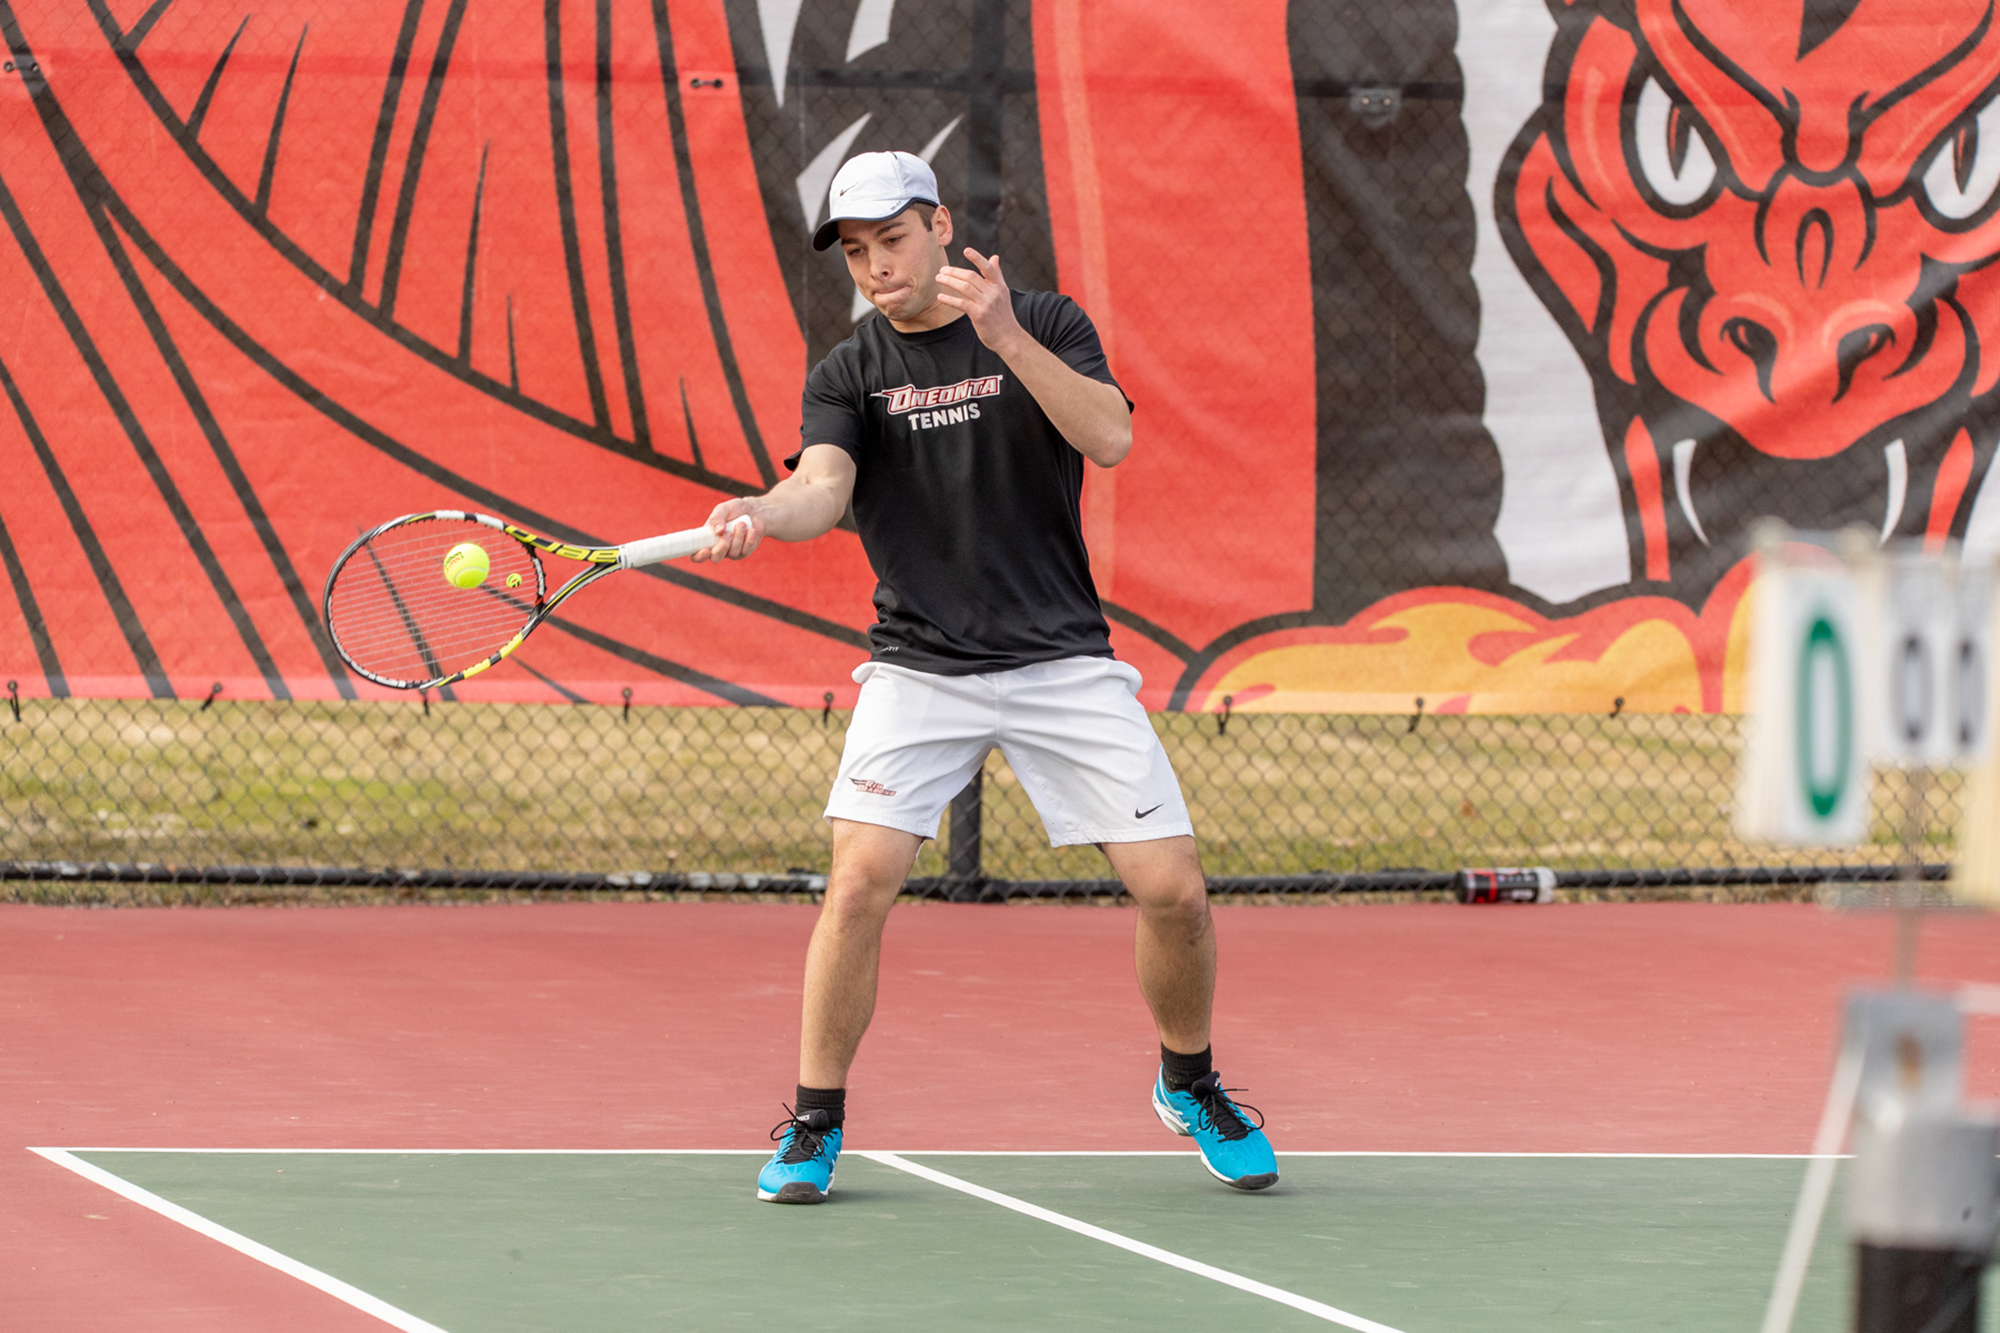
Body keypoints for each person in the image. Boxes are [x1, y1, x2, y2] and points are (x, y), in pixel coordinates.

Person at [694, 150, 1277, 1203]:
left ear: (938, 226)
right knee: (860, 879)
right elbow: (819, 490)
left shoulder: (1044, 323)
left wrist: (1002, 337)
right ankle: (813, 1121)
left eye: (892, 241)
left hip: (1060, 659)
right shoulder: (847, 373)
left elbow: (1109, 437)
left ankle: (1187, 1083)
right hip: (921, 664)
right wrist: (757, 515)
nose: (875, 268)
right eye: (856, 252)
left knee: (1174, 891)